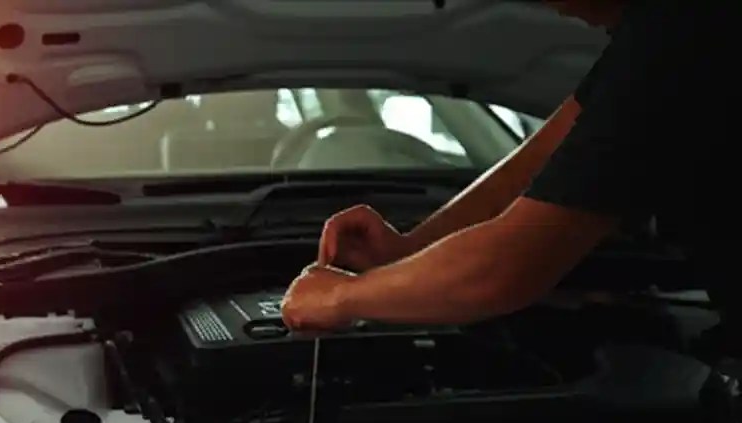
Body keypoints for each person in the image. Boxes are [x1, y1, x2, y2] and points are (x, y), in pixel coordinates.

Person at [280, 0, 735, 359]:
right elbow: (539, 165)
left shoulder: (688, 28)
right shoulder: (656, 34)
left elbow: (507, 266)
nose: (545, 6)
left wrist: (344, 297)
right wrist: (408, 251)